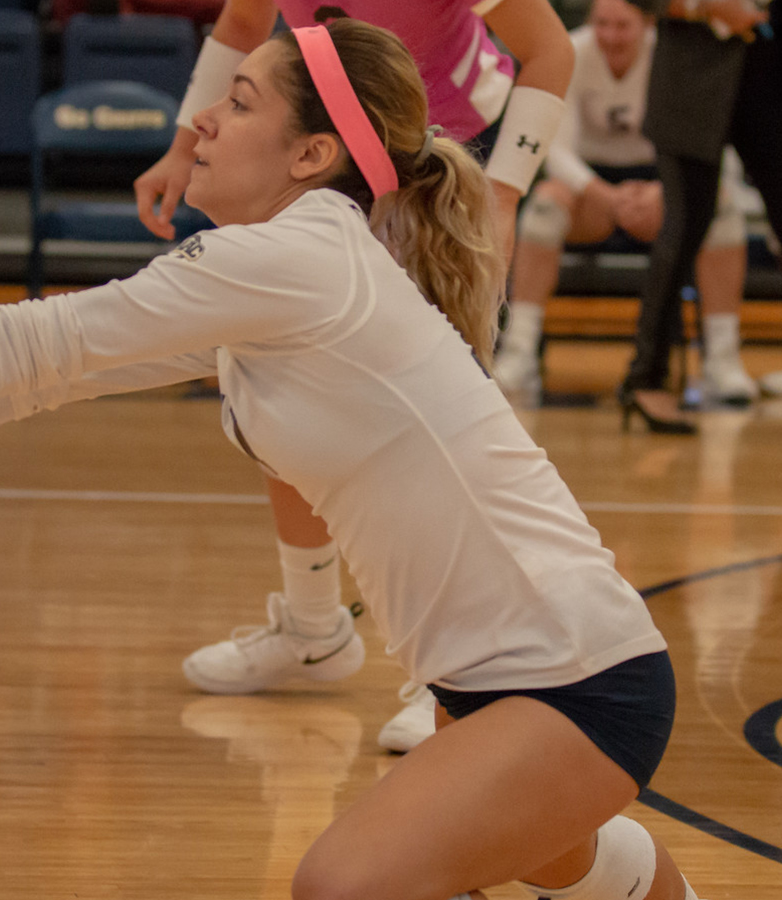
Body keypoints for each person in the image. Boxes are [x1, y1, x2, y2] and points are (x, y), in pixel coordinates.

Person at [0, 21, 697, 900]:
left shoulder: (300, 259)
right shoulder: (281, 279)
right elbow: (23, 383)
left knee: (346, 884)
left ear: (309, 154)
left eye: (239, 101)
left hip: (575, 678)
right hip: (491, 683)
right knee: (562, 863)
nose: (203, 119)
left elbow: (20, 343)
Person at [132, 0, 576, 755]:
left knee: (418, 429)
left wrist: (500, 195)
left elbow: (551, 53)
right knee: (280, 394)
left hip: (438, 162)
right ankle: (312, 629)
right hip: (324, 159)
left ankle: (444, 677)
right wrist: (182, 145)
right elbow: (241, 29)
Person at [491, 0, 760, 408]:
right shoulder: (571, 50)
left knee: (722, 212)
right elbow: (555, 150)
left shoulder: (669, 53)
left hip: (660, 183)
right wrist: (608, 197)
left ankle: (723, 359)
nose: (611, 36)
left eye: (623, 26)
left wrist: (661, 193)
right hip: (590, 187)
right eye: (603, 24)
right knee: (543, 209)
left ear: (646, 24)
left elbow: (711, 142)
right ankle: (520, 350)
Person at [618, 0, 782, 435]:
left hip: (772, 86)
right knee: (686, 226)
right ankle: (645, 380)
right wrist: (703, 6)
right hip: (692, 88)